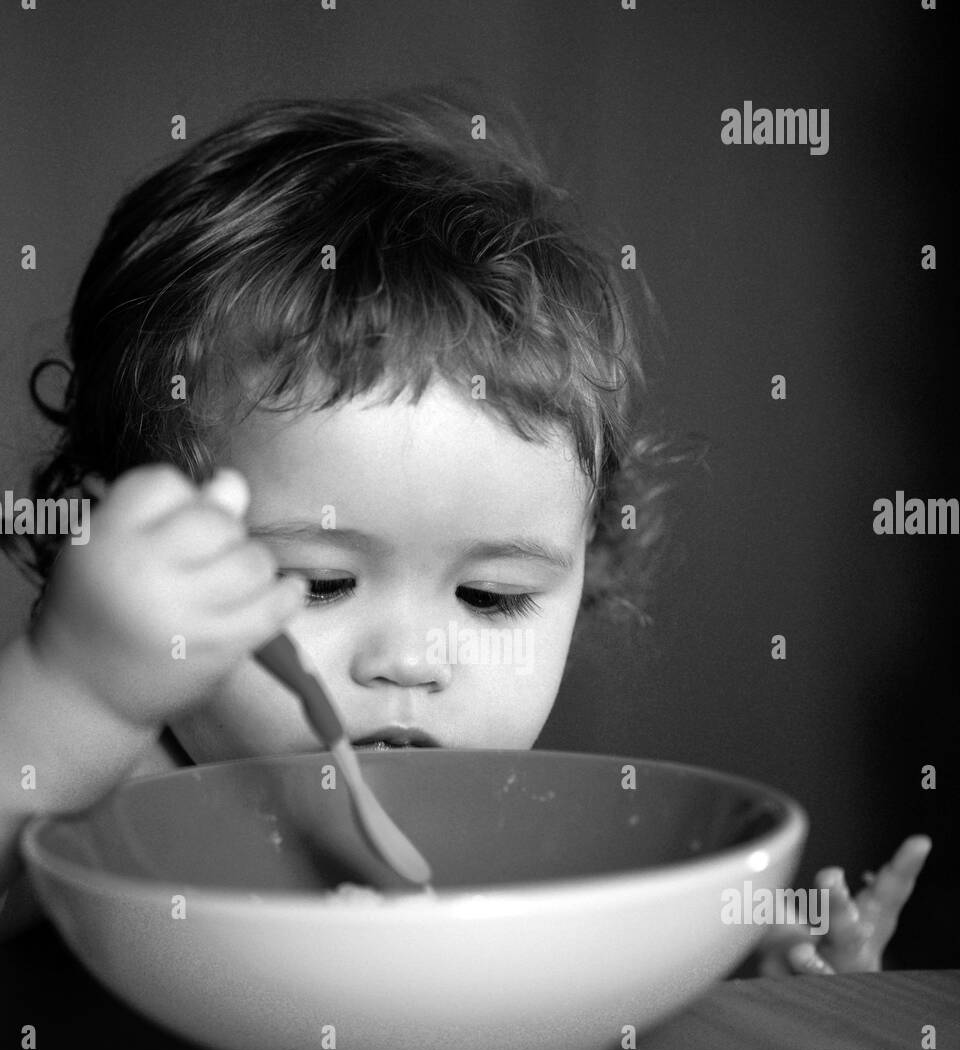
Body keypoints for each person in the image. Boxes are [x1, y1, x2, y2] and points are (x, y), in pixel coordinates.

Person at [0, 90, 931, 967]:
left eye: (492, 597)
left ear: (586, 571)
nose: (413, 660)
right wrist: (77, 685)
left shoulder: (538, 837)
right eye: (317, 581)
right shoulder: (112, 793)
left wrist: (749, 981)